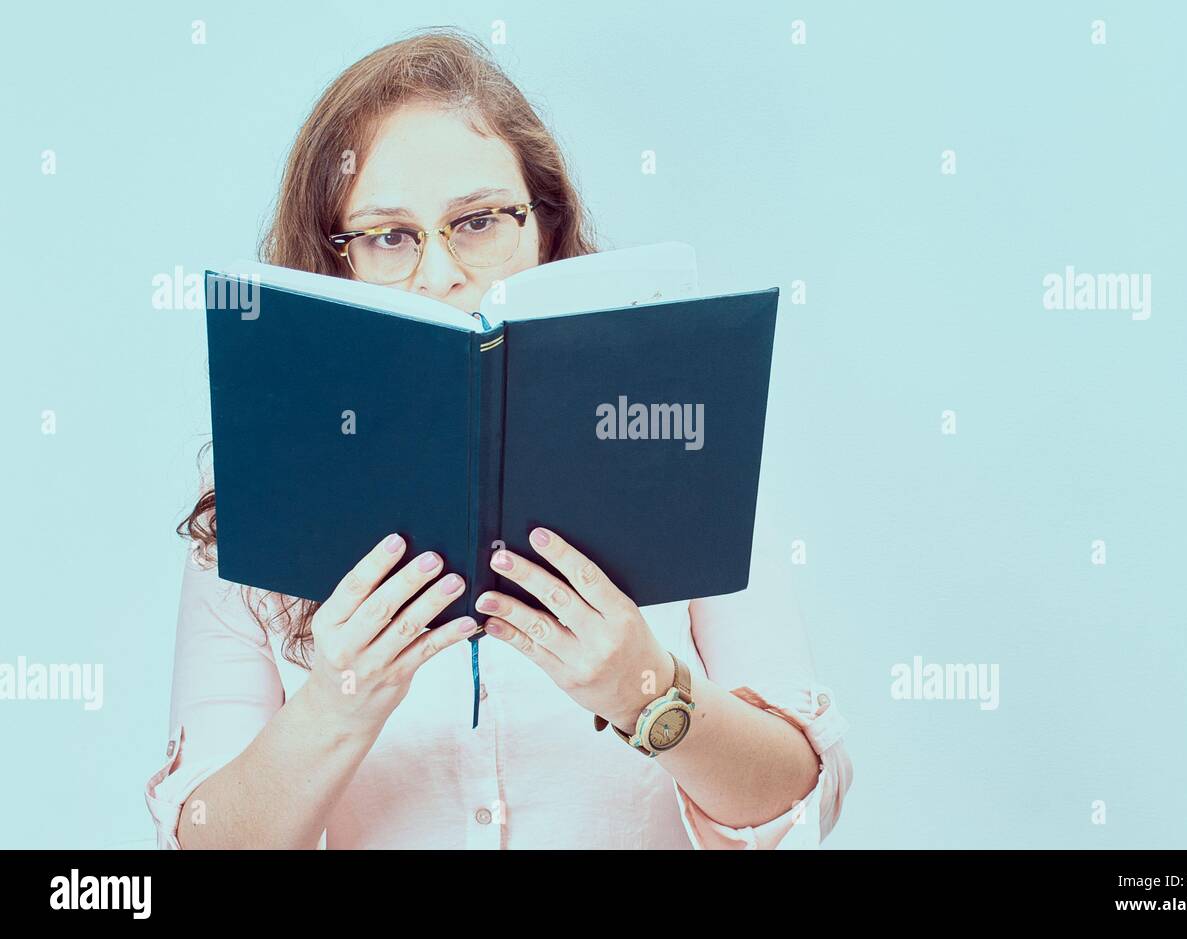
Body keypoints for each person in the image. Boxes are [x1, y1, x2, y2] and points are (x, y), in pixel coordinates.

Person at [145, 26, 852, 849]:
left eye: (477, 221)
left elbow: (804, 797)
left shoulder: (679, 454)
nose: (442, 273)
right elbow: (201, 839)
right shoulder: (249, 520)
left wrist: (647, 691)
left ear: (543, 227)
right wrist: (336, 703)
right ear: (332, 262)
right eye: (387, 235)